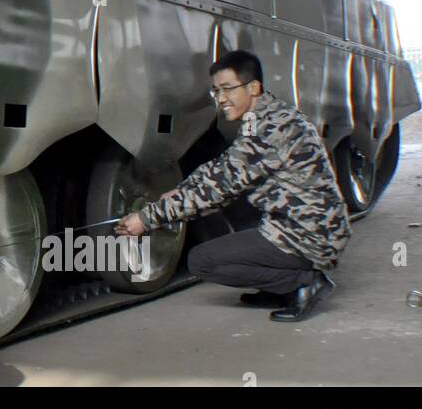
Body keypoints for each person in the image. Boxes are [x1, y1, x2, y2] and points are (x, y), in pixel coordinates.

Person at [115, 49, 350, 322]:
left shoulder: (267, 129)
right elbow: (225, 165)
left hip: (308, 236)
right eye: (216, 91)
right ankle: (281, 286)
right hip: (311, 226)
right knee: (238, 226)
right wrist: (182, 189)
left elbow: (219, 188)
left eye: (228, 89)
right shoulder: (269, 115)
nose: (221, 99)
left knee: (202, 261)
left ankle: (303, 282)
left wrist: (146, 219)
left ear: (253, 87)